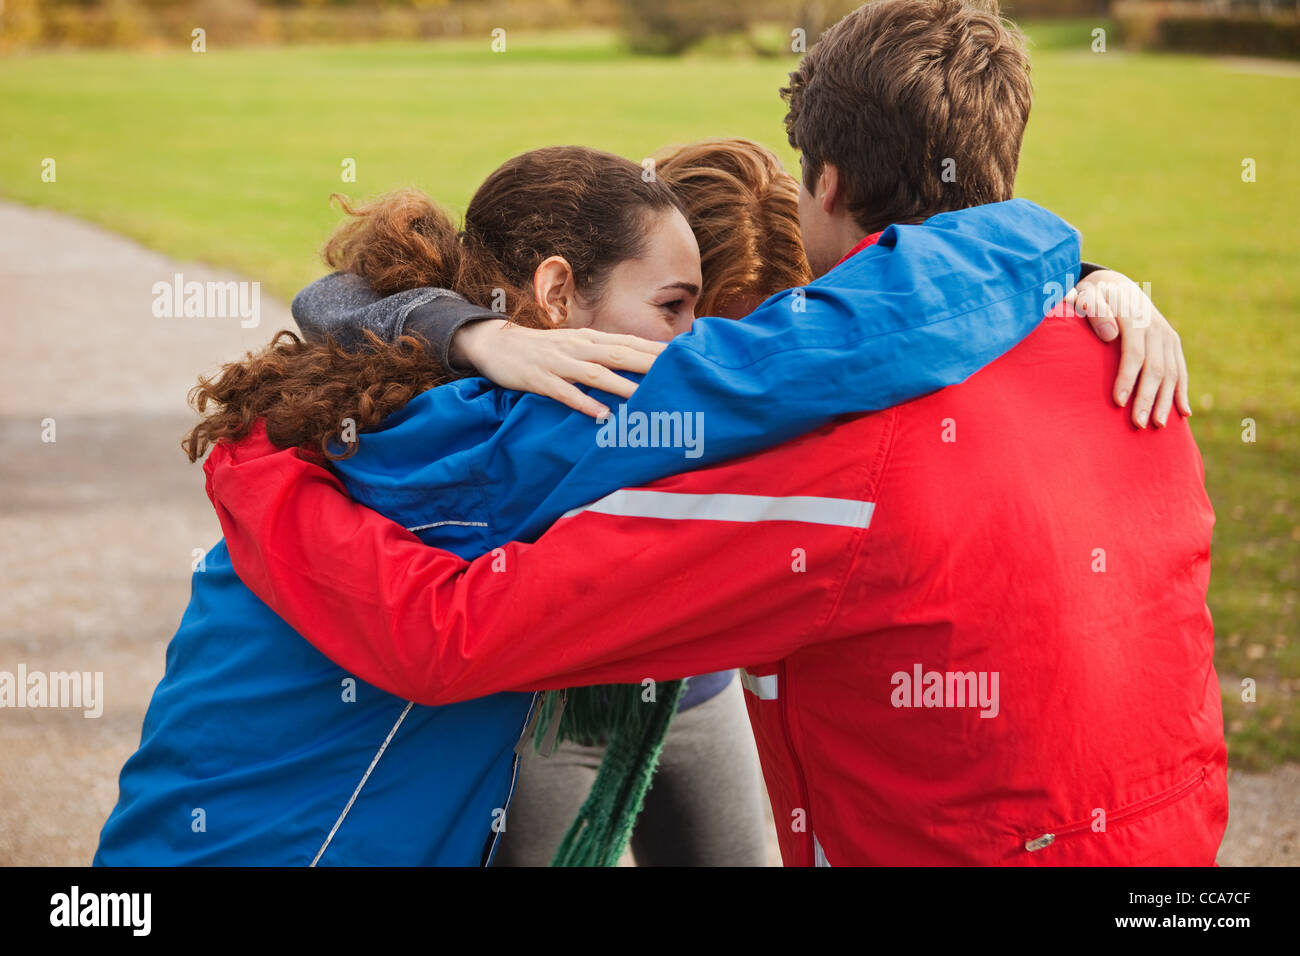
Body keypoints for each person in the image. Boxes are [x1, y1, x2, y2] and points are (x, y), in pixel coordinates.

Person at [206, 0, 1225, 865]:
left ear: (823, 185)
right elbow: (358, 296)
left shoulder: (822, 434)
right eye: (681, 310)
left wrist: (261, 468)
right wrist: (1074, 264)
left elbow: (447, 633)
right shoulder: (1129, 369)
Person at [96, 133, 1103, 865]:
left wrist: (466, 333)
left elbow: (338, 305)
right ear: (552, 294)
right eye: (677, 311)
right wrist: (1060, 252)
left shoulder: (374, 404)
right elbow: (846, 340)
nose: (695, 342)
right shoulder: (561, 427)